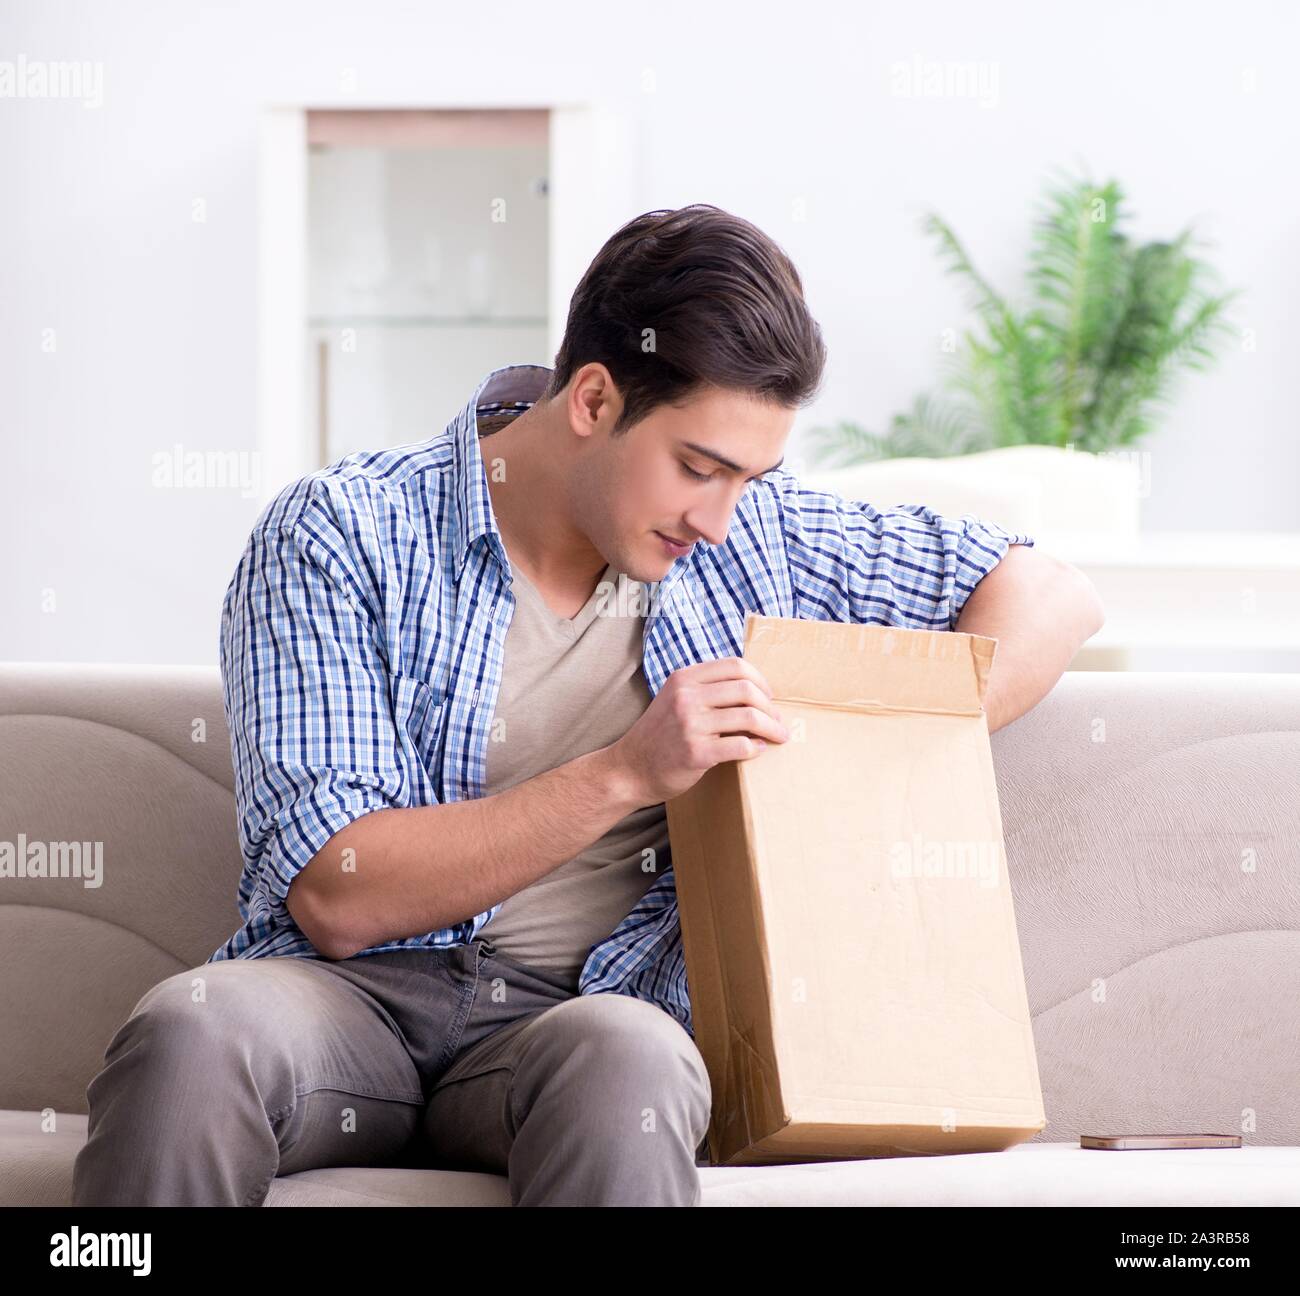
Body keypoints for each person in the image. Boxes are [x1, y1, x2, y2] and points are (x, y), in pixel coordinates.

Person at [72, 203, 1097, 1208]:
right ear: (595, 401)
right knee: (193, 1034)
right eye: (697, 467)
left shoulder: (761, 533)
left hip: (581, 1016)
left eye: (749, 476)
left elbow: (1049, 596)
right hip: (349, 1003)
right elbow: (342, 896)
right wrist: (626, 772)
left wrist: (841, 748)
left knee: (628, 1064)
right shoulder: (343, 533)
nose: (718, 515)